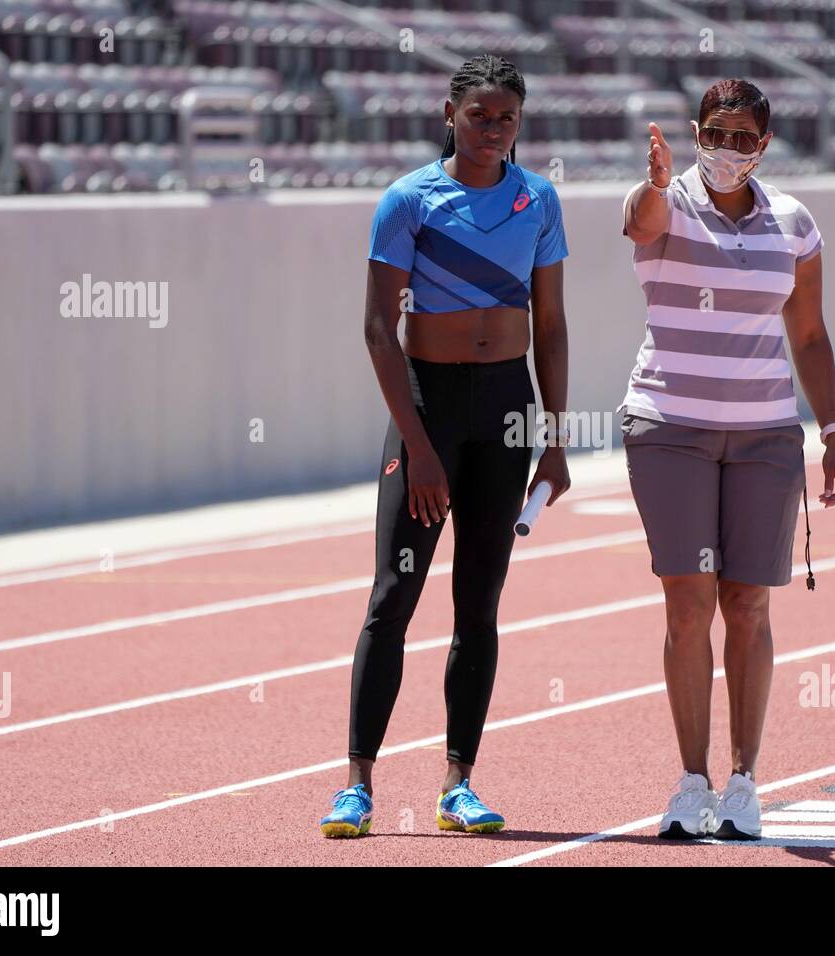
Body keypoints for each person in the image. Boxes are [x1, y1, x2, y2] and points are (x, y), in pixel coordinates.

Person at [320, 54, 571, 838]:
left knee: (479, 605)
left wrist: (553, 440)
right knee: (392, 601)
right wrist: (420, 449)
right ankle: (356, 784)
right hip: (427, 405)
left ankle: (458, 782)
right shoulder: (409, 200)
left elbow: (552, 328)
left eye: (507, 117)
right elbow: (376, 330)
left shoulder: (539, 200)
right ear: (449, 114)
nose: (493, 129)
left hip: (505, 409)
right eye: (479, 115)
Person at [618, 78, 835, 840]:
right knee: (688, 604)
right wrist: (656, 183)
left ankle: (746, 780)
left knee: (748, 606)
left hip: (764, 436)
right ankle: (692, 780)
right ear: (696, 133)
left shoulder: (793, 221)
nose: (725, 150)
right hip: (672, 428)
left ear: (764, 145)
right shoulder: (665, 201)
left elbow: (809, 336)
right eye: (714, 134)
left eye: (742, 138)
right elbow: (639, 222)